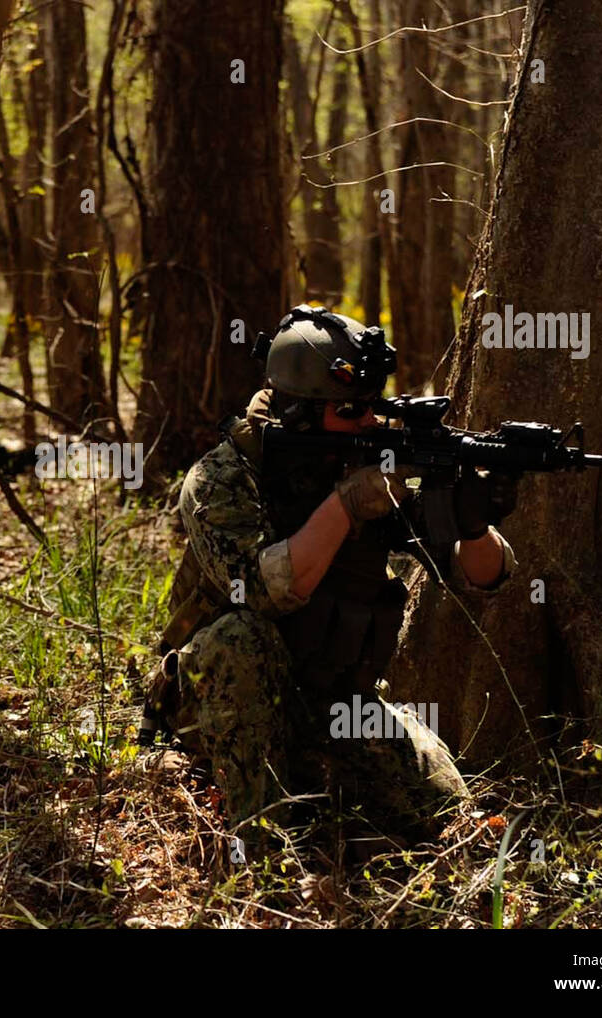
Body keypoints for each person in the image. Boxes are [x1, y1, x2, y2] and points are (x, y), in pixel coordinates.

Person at [141, 304, 519, 848]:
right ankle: (262, 845)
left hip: (330, 702)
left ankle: (313, 783)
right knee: (240, 639)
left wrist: (474, 520)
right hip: (214, 701)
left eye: (372, 407)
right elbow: (267, 592)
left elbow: (483, 578)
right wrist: (346, 503)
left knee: (453, 819)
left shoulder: (364, 462)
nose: (368, 422)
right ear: (298, 410)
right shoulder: (223, 478)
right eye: (350, 410)